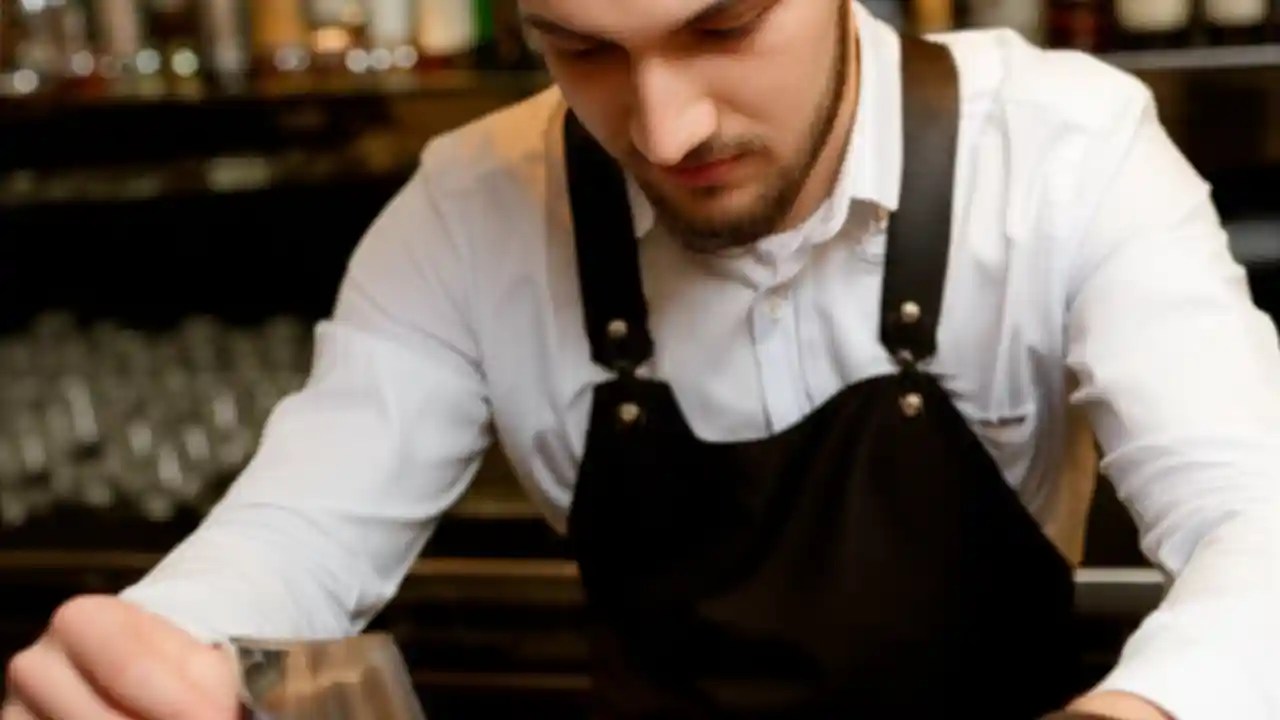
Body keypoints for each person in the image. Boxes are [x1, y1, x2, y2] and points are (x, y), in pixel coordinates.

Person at [6, 0, 1280, 718]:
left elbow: (1258, 522)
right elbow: (291, 537)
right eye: (584, 51)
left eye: (721, 27)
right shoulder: (468, 208)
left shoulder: (1064, 152)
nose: (665, 132)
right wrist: (145, 659)